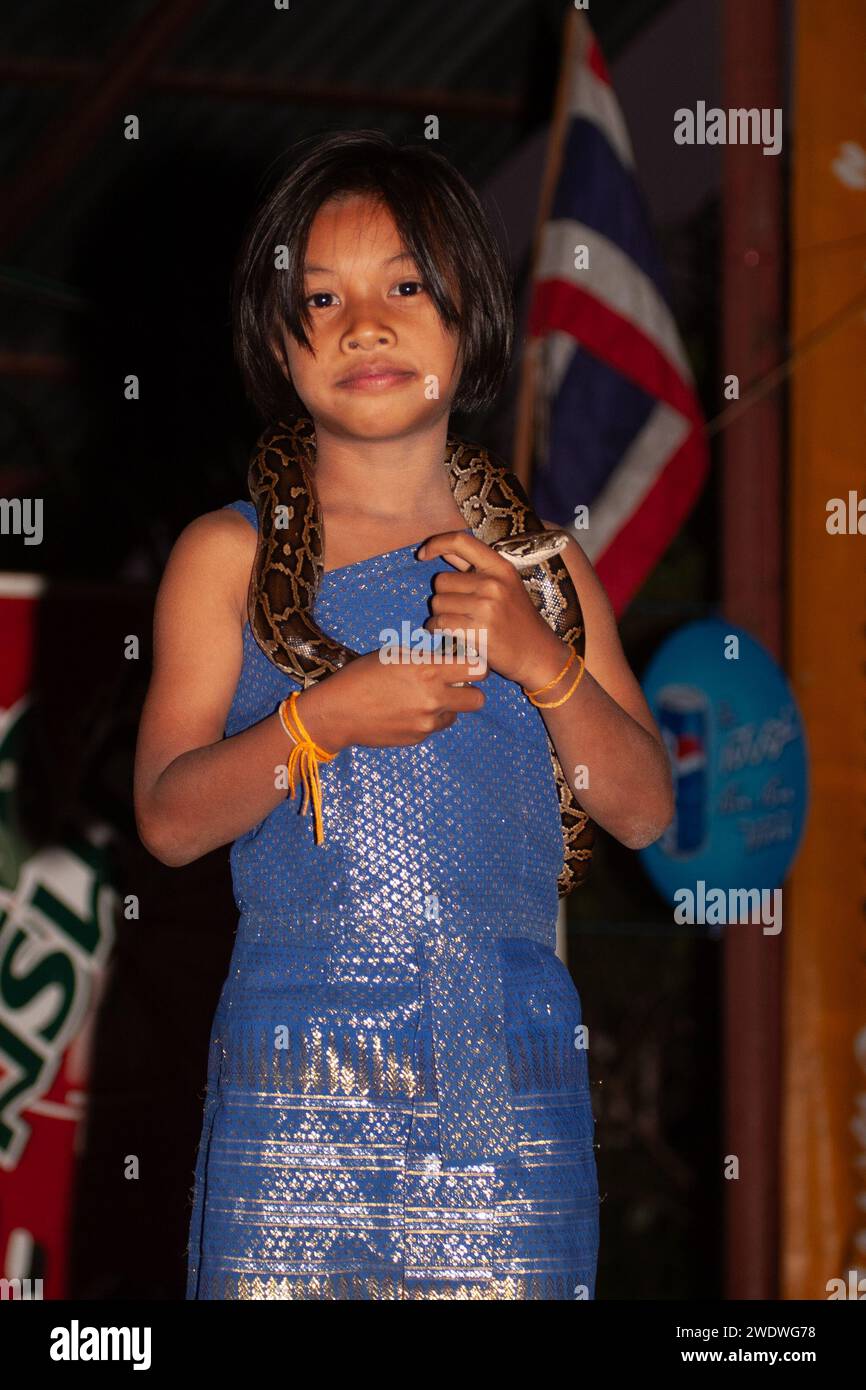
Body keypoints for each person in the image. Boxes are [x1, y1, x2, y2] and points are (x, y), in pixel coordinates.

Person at [133, 129, 674, 1301]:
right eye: (317, 298)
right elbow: (171, 823)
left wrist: (543, 661)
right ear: (278, 345)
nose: (360, 324)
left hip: (500, 1057)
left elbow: (638, 809)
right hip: (294, 1065)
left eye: (402, 288)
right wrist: (318, 720)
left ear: (467, 319)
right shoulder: (226, 555)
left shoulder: (542, 570)